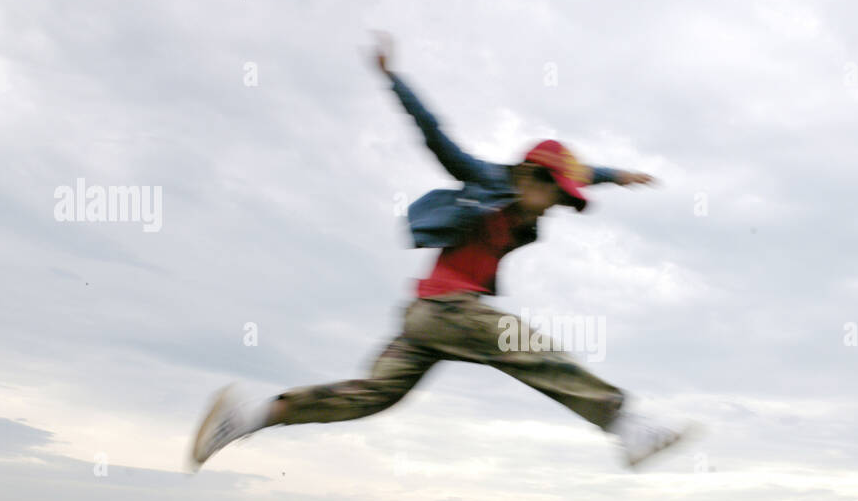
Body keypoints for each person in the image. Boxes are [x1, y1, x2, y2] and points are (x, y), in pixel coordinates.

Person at [190, 33, 693, 471]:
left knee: (372, 397)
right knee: (531, 349)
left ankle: (250, 414)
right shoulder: (486, 180)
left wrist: (617, 176)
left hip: (425, 320)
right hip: (450, 308)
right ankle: (625, 423)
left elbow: (579, 175)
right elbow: (436, 136)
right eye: (554, 194)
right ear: (527, 176)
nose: (556, 206)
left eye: (564, 200)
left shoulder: (534, 201)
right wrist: (395, 80)